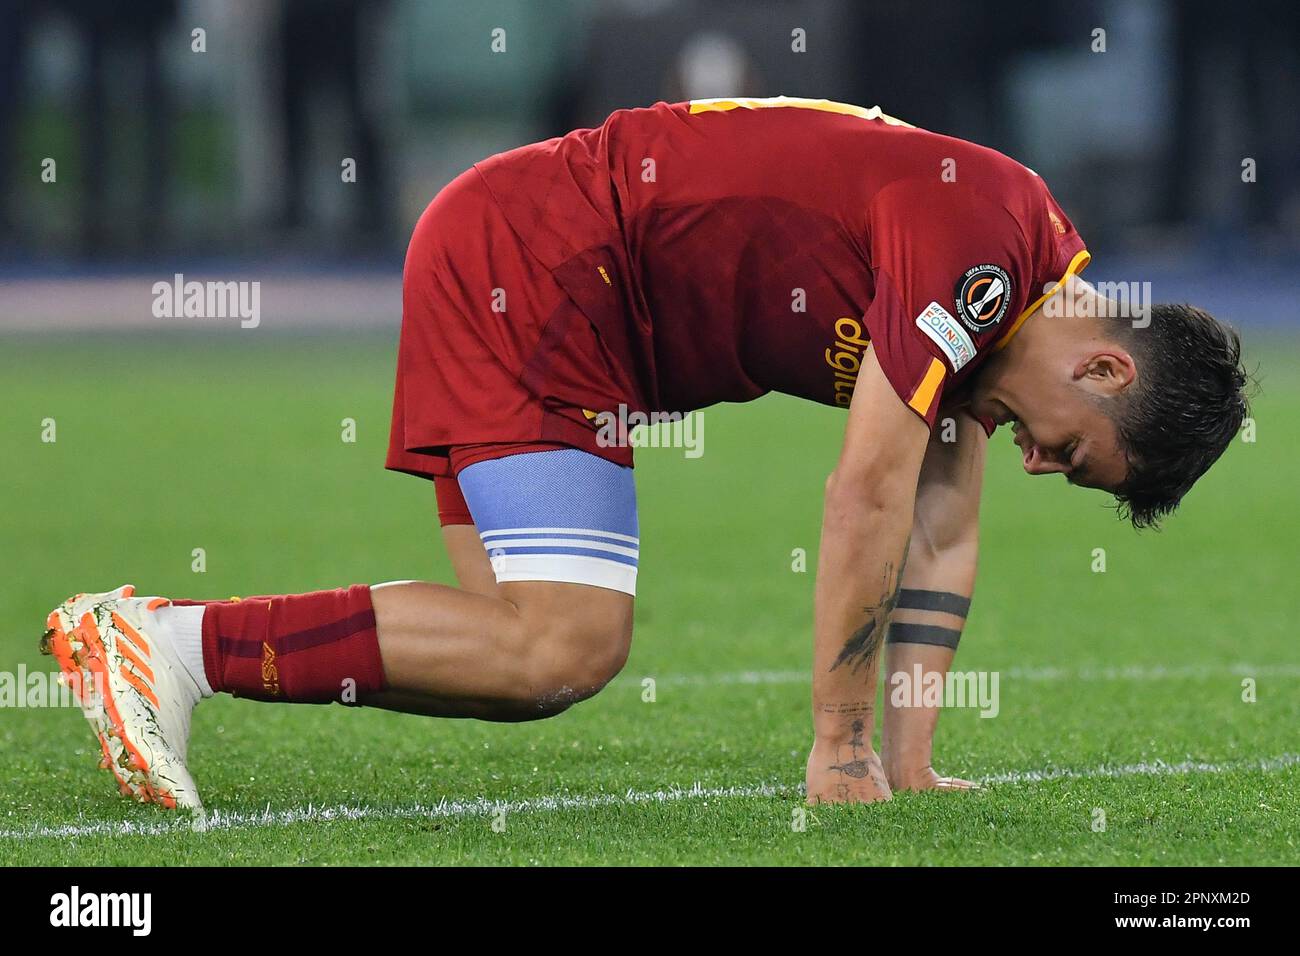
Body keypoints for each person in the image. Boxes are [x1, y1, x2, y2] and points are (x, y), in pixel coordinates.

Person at [42, 97, 1248, 810]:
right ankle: (169, 644)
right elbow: (868, 490)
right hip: (547, 265)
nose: (1040, 465)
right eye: (1073, 455)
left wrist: (909, 761)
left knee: (524, 657)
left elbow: (941, 513)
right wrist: (839, 744)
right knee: (567, 639)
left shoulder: (1016, 279)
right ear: (1102, 370)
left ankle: (167, 646)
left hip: (539, 262)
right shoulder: (987, 253)